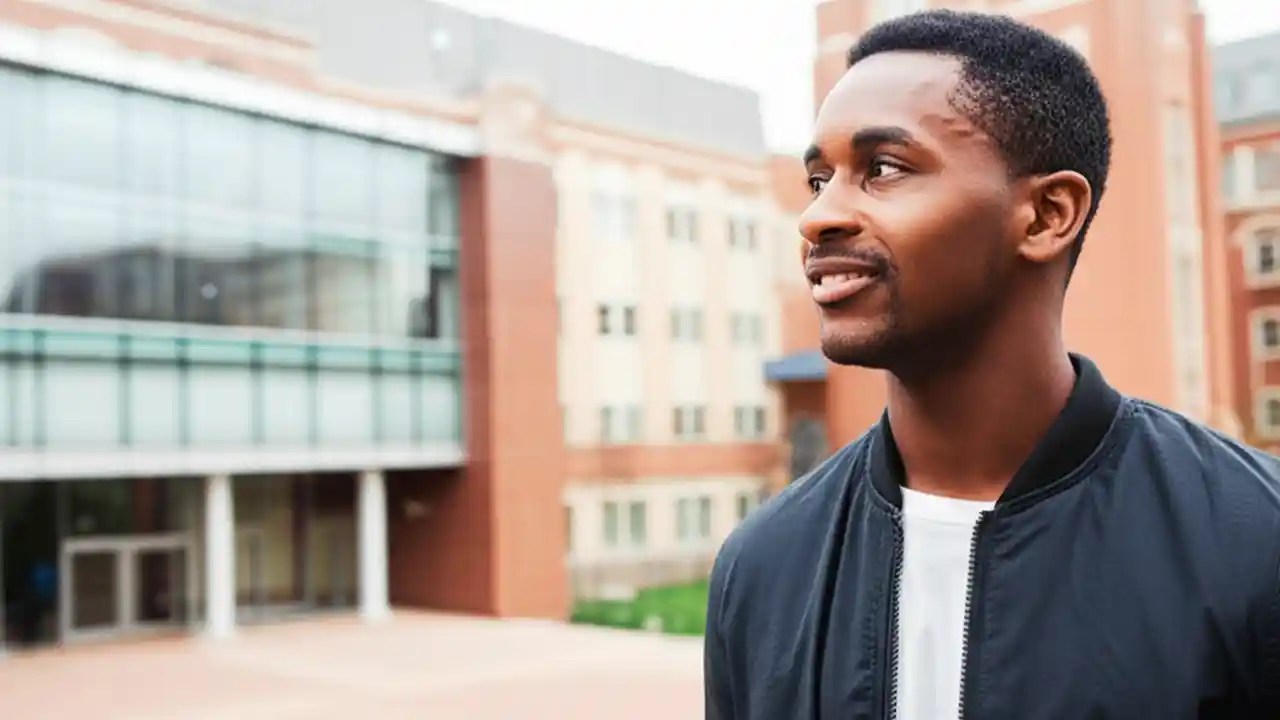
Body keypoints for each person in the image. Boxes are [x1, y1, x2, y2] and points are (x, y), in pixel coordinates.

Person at [704, 9, 1280, 719]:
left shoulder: (1254, 540)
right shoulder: (762, 566)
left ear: (1045, 216)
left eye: (883, 169)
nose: (819, 217)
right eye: (820, 179)